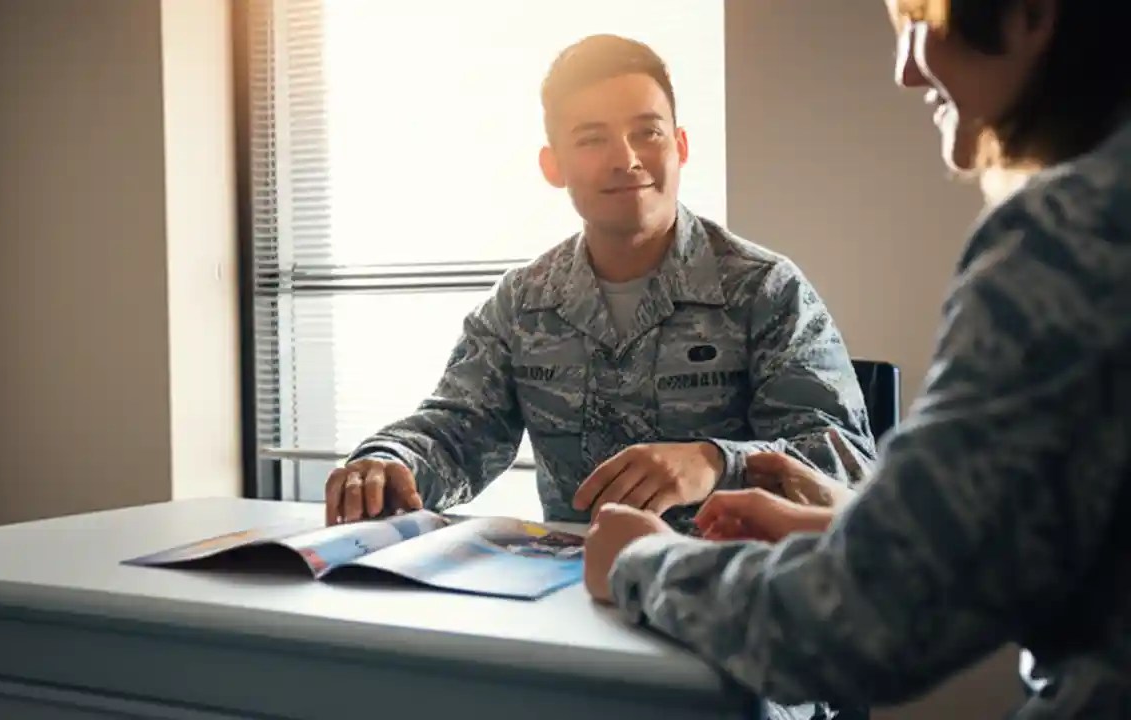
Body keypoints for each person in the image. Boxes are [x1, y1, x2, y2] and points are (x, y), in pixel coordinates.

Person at [584, 0, 1131, 716]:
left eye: (917, 20)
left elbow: (869, 620)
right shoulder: (520, 297)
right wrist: (849, 526)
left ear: (1031, 13)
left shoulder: (1070, 237)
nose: (905, 70)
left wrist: (643, 562)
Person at [323, 34, 876, 532]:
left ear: (680, 147)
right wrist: (388, 460)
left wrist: (714, 461)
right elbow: (459, 429)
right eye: (592, 140)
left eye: (648, 133)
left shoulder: (765, 290)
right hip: (571, 597)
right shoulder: (523, 303)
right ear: (553, 165)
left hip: (727, 590)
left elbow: (845, 466)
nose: (627, 160)